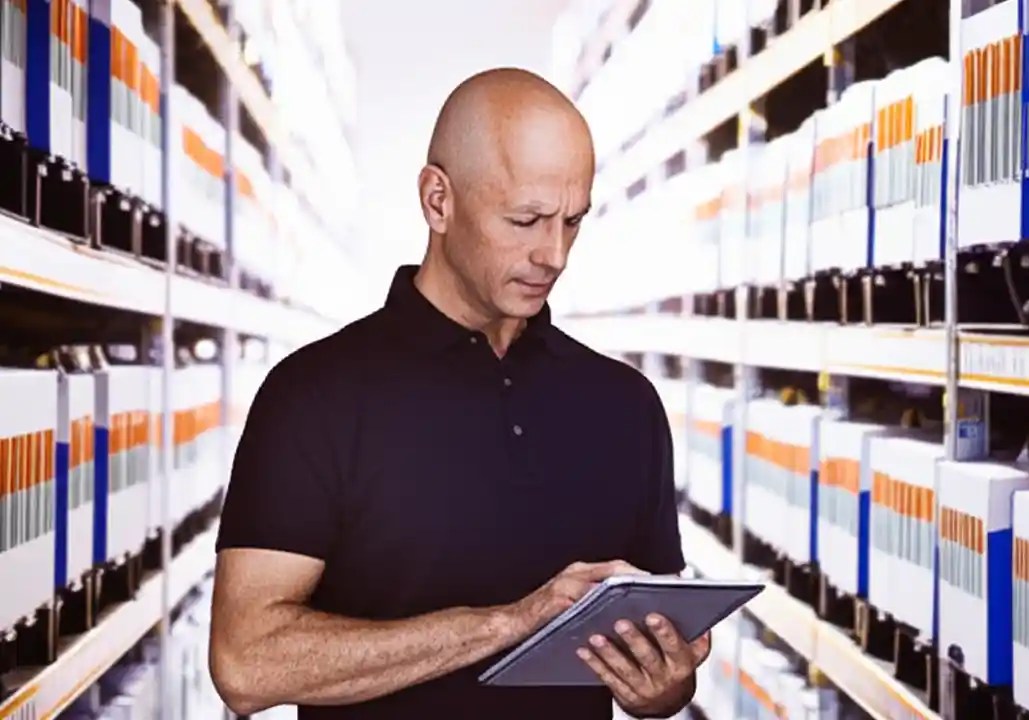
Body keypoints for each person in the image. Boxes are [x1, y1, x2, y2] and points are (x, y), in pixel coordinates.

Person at [207, 67, 708, 719]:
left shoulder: (625, 405)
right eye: (525, 220)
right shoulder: (314, 396)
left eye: (572, 222)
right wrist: (509, 623)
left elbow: (657, 665)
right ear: (437, 201)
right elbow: (246, 664)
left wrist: (663, 687)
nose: (553, 254)